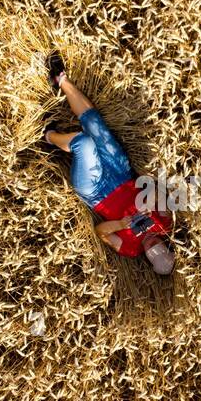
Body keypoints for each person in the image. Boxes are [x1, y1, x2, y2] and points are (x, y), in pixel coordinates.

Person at [43, 55, 175, 275]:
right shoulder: (165, 224)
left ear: (148, 257)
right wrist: (148, 200)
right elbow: (158, 191)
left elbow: (101, 231)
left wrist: (122, 225)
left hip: (96, 191)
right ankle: (61, 79)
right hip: (121, 172)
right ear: (165, 245)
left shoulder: (131, 249)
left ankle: (48, 136)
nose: (151, 241)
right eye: (157, 243)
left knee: (83, 143)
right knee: (94, 123)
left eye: (150, 248)